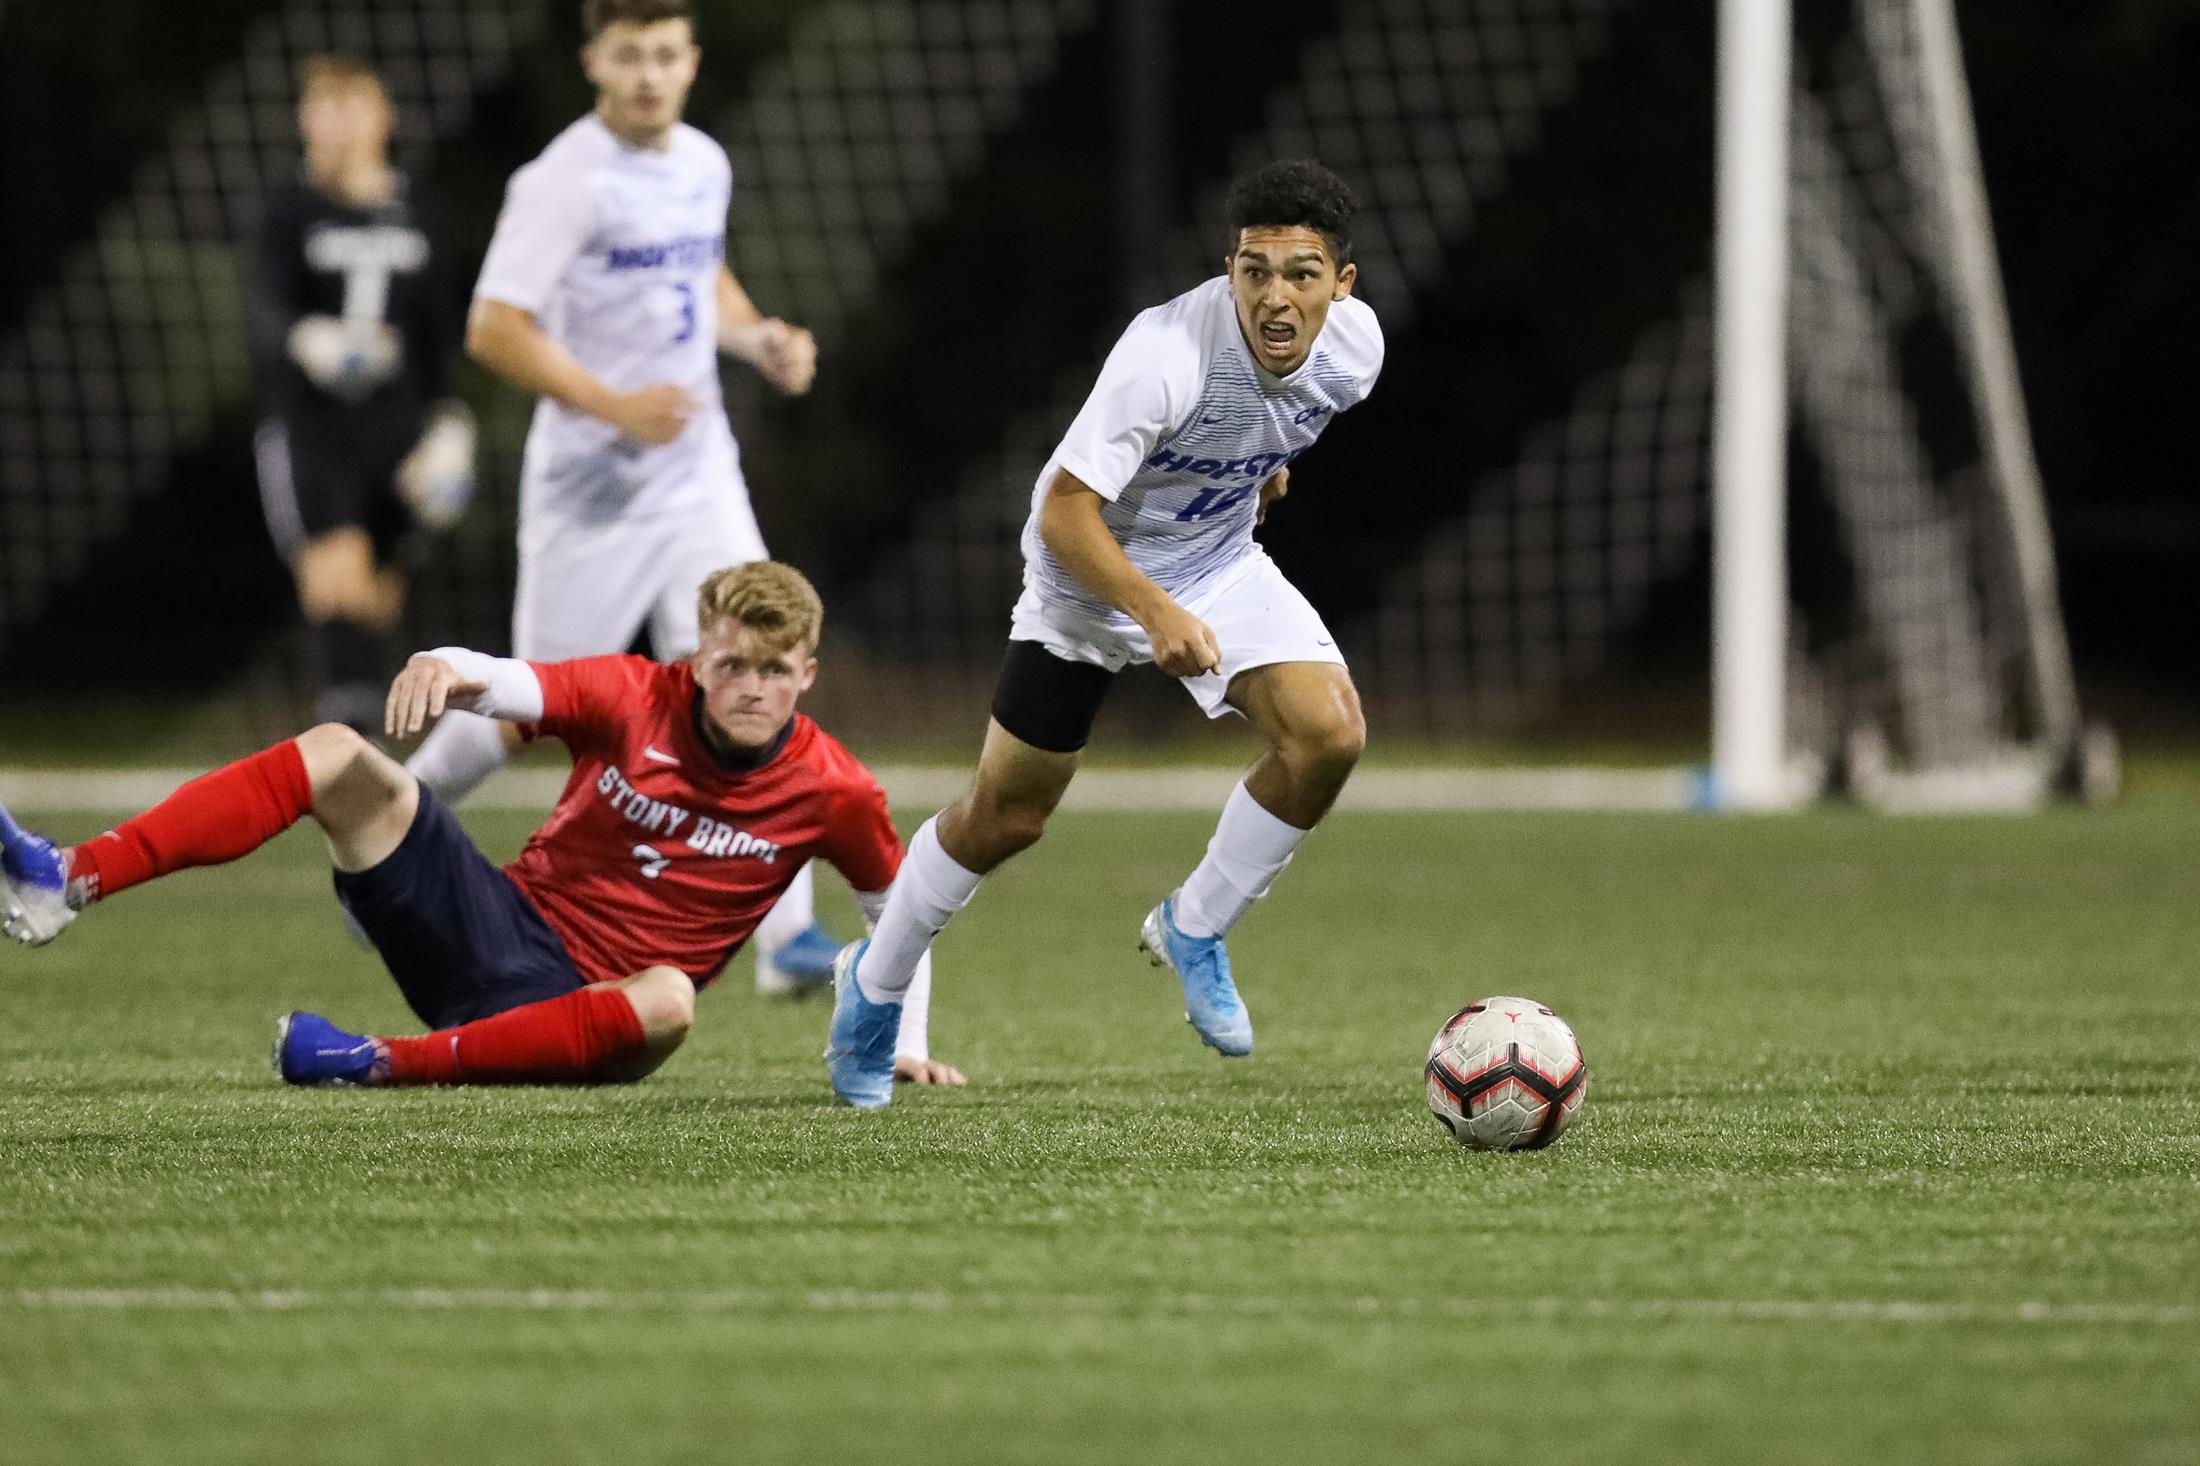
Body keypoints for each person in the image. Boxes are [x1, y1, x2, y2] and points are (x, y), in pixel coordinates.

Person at [821, 160, 1382, 1108]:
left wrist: (1260, 475)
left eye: (1300, 274)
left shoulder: (1356, 351)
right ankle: (873, 988)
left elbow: (1280, 433)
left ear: (1342, 284)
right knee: (1007, 817)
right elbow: (1064, 513)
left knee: (1330, 734)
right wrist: (1153, 612)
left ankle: (1196, 924)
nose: (1275, 298)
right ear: (1229, 269)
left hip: (1215, 564)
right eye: (1254, 272)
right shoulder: (1164, 354)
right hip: (1083, 586)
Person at [1, 563, 961, 1096]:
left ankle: (371, 1061)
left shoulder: (834, 788)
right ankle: (67, 879)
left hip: (595, 1018)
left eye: (776, 669)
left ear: (809, 676)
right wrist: (446, 662)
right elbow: (519, 682)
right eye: (733, 665)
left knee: (671, 997)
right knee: (337, 753)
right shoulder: (637, 694)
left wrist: (901, 1046)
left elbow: (900, 917)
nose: (752, 687)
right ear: (696, 659)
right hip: (488, 927)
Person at [403, 0, 836, 995]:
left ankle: (788, 939)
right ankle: (394, 823)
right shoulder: (561, 181)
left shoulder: (702, 162)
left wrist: (756, 335)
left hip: (696, 476)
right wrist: (613, 404)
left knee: (752, 664)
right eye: (629, 55)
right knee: (523, 711)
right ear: (594, 59)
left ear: (691, 60)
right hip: (590, 492)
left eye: (666, 54)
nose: (649, 73)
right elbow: (493, 329)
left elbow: (701, 271)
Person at [246, 53, 476, 733]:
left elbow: (439, 333)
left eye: (353, 107)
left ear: (383, 116)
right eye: (326, 108)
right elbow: (262, 308)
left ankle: (370, 720)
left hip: (396, 424)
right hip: (314, 424)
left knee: (378, 587)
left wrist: (450, 424)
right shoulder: (288, 213)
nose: (339, 125)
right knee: (333, 570)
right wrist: (305, 339)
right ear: (305, 121)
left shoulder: (419, 215)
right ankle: (344, 715)